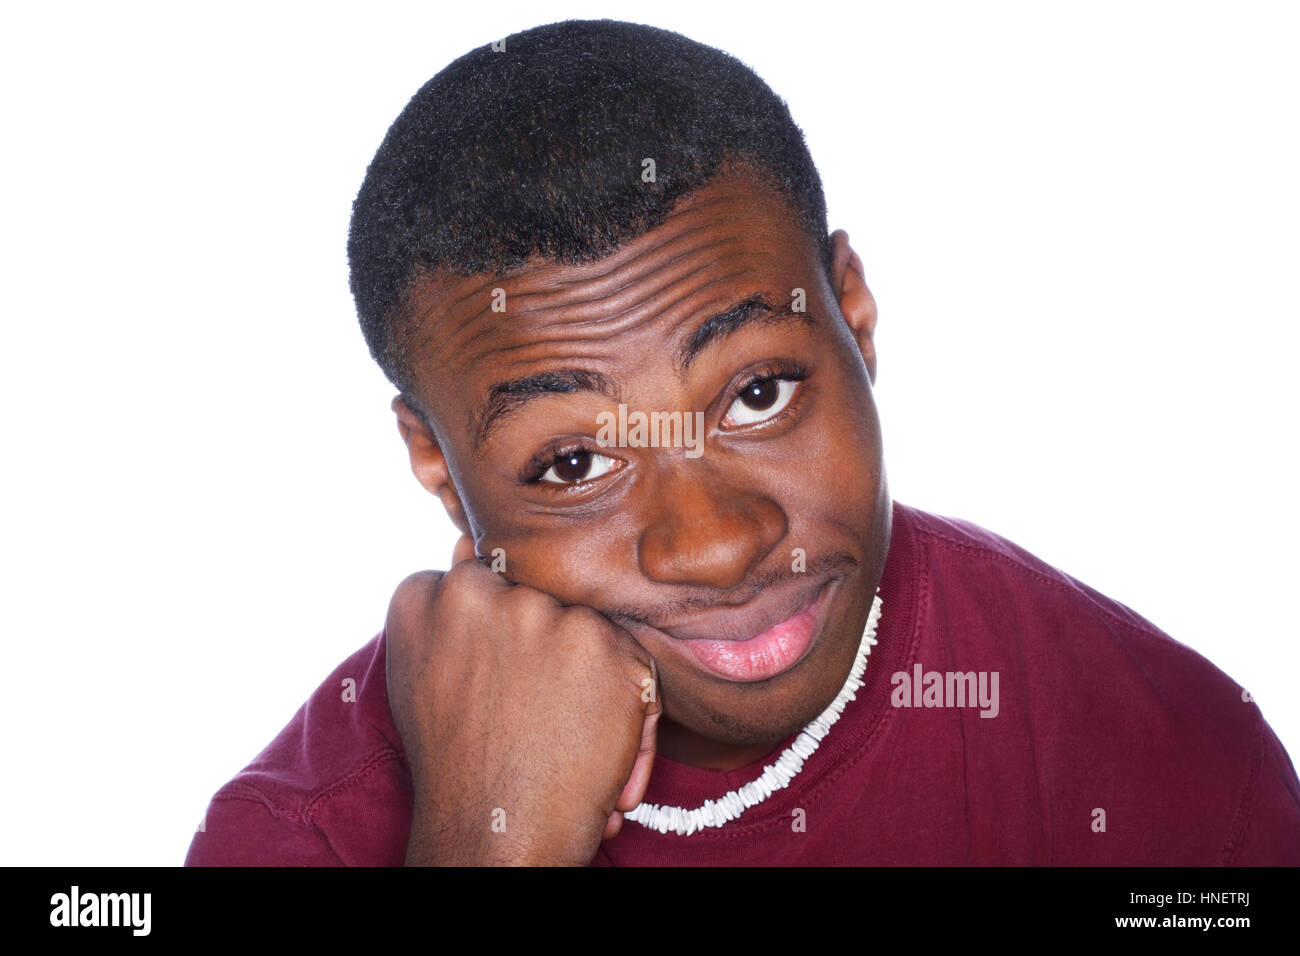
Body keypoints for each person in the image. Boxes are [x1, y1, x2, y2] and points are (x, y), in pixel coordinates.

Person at [185, 18, 1300, 866]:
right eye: (575, 463)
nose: (716, 543)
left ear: (854, 319)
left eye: (758, 391)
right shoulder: (304, 834)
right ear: (437, 466)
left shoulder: (1174, 764)